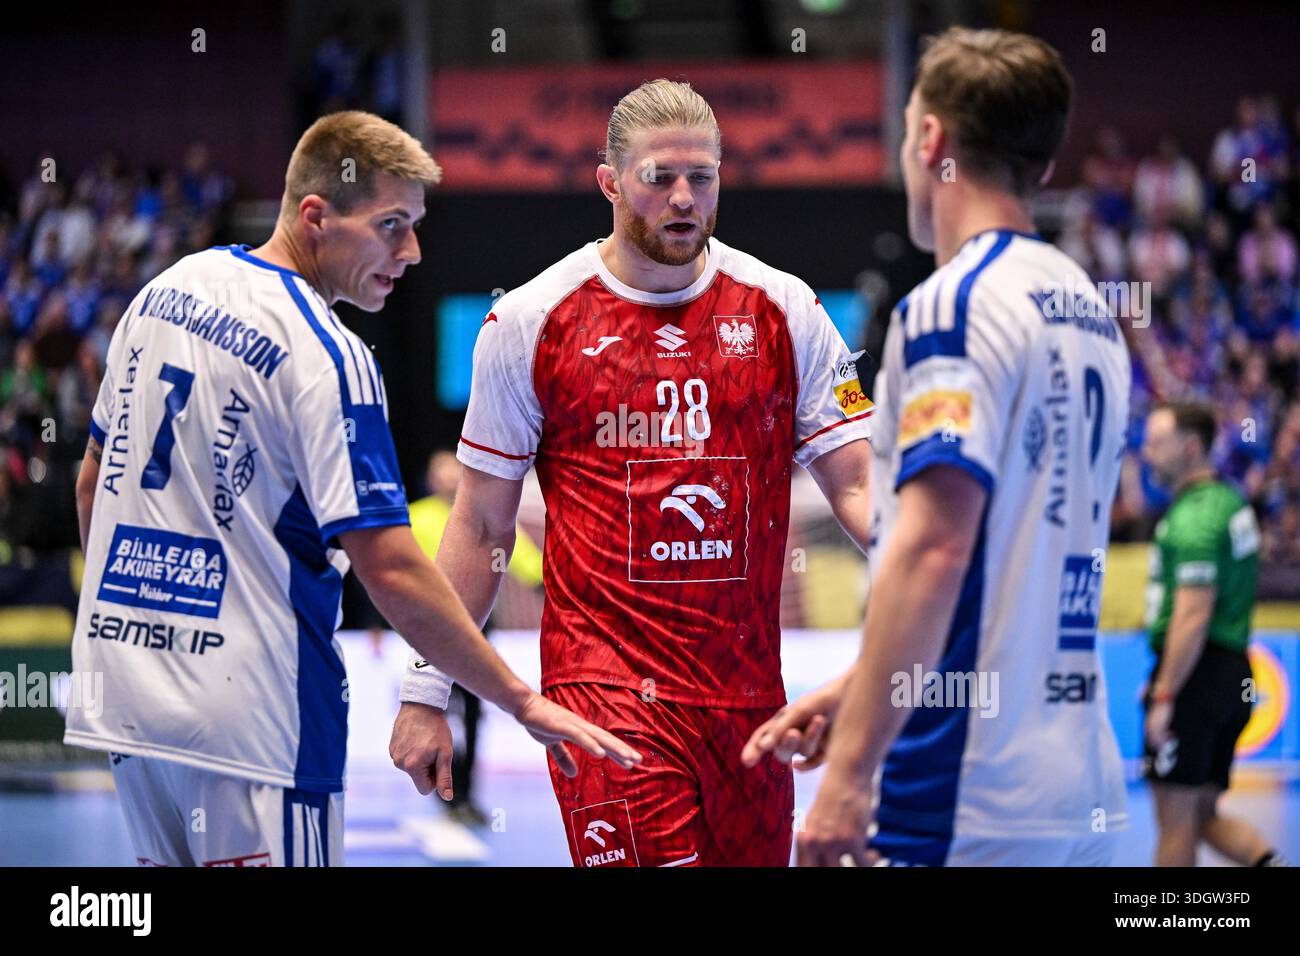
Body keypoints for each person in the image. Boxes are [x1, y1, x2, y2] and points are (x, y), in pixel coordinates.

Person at [64, 110, 639, 868]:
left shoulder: (165, 291)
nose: (412, 251)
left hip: (125, 700)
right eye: (392, 226)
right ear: (316, 215)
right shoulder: (328, 355)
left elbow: (92, 482)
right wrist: (519, 699)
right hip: (255, 724)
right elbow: (391, 566)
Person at [391, 79, 874, 867]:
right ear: (611, 182)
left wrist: (938, 579)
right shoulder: (530, 322)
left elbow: (857, 485)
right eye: (659, 179)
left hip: (747, 706)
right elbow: (480, 526)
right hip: (605, 700)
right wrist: (423, 690)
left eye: (703, 178)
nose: (684, 198)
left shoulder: (786, 310)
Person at [744, 27, 1131, 866]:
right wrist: (860, 689)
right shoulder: (1088, 308)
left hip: (965, 790)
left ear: (930, 141)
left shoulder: (952, 311)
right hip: (1081, 781)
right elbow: (1006, 565)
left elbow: (933, 548)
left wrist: (848, 775)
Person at [1139, 401, 1286, 867]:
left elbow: (1192, 617)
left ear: (1190, 447)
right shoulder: (1230, 501)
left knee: (1175, 823)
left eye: (1156, 443)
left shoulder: (1195, 519)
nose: (1146, 454)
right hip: (1232, 673)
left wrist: (1165, 695)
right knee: (1203, 815)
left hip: (1195, 678)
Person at [409, 449, 544, 824]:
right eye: (441, 472)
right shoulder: (414, 517)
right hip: (432, 633)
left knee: (470, 715)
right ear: (430, 479)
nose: (449, 479)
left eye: (454, 472)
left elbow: (521, 557)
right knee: (439, 711)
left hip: (477, 632)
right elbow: (393, 570)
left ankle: (464, 795)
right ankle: (445, 794)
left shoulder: (482, 517)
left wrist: (547, 589)